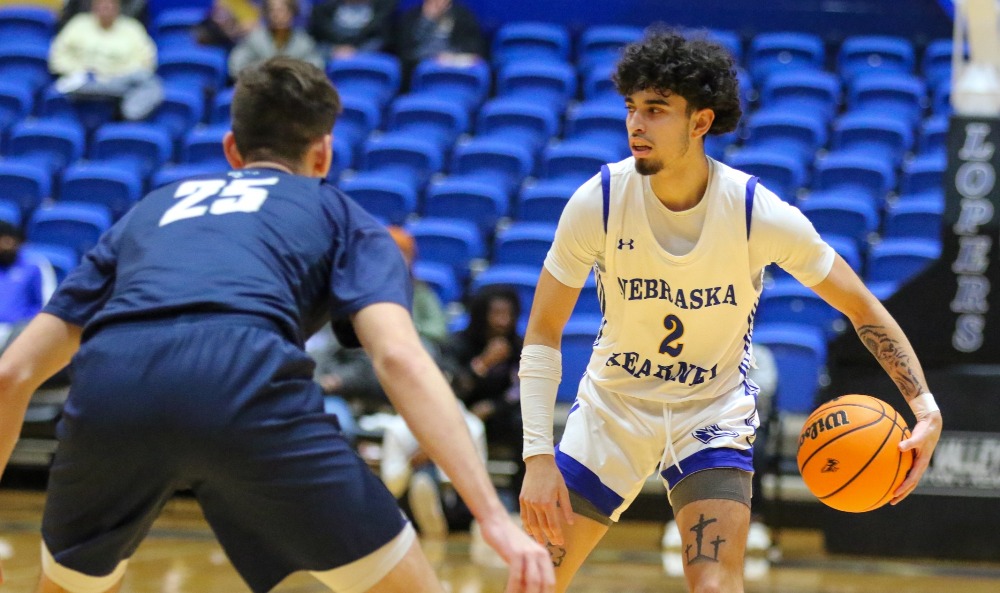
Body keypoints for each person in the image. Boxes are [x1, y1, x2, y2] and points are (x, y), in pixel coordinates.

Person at [0, 57, 553, 593]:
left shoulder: (150, 210)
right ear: (323, 154)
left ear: (231, 150)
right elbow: (399, 357)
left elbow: (13, 373)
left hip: (111, 392)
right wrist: (493, 518)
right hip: (246, 385)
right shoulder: (342, 216)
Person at [516, 30, 943, 593]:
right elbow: (544, 331)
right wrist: (536, 457)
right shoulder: (597, 201)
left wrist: (925, 407)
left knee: (716, 586)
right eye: (631, 108)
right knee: (534, 583)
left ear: (700, 122)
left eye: (657, 110)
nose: (636, 125)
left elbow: (860, 305)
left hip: (709, 414)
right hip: (612, 410)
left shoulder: (755, 212)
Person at [48, 0, 163, 121]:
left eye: (110, 6)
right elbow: (58, 56)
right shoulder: (78, 24)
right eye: (102, 5)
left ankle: (127, 114)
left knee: (150, 83)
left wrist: (117, 74)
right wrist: (79, 70)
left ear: (117, 8)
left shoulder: (132, 28)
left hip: (120, 81)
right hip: (84, 80)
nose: (106, 9)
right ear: (94, 7)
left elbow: (145, 61)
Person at [228, 0, 325, 78]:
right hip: (259, 90)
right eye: (273, 11)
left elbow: (317, 67)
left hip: (295, 91)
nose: (277, 15)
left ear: (292, 13)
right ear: (267, 13)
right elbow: (236, 65)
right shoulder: (254, 39)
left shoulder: (304, 42)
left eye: (282, 10)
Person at [392, 0, 485, 81]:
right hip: (423, 67)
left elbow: (473, 46)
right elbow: (408, 50)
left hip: (456, 66)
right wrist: (429, 20)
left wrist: (452, 57)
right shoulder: (412, 16)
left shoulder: (462, 15)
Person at [0, 221, 45, 347]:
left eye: (9, 241)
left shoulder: (32, 268)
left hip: (17, 331)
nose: (5, 246)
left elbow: (40, 304)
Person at [308, 0, 397, 59]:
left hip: (370, 60)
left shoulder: (386, 10)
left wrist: (357, 52)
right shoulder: (322, 11)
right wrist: (332, 50)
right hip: (328, 58)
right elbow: (313, 41)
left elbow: (384, 40)